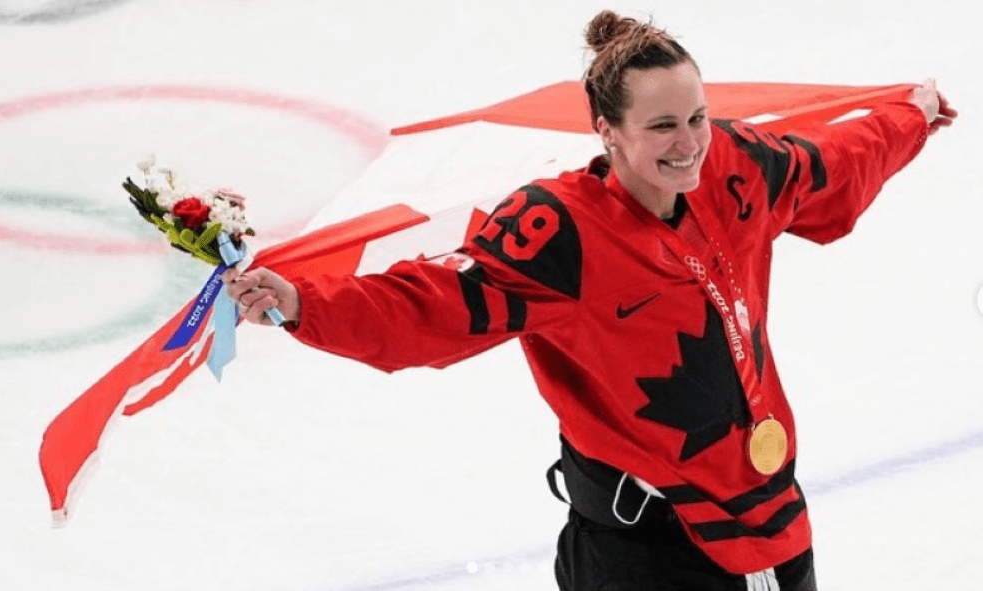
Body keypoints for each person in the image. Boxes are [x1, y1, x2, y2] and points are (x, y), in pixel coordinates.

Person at [223, 10, 957, 591]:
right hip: (643, 550)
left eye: (697, 117)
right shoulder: (560, 233)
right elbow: (436, 305)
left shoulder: (736, 168)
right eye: (662, 126)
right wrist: (300, 303)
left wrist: (910, 118)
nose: (689, 144)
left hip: (752, 523)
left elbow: (831, 164)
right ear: (606, 131)